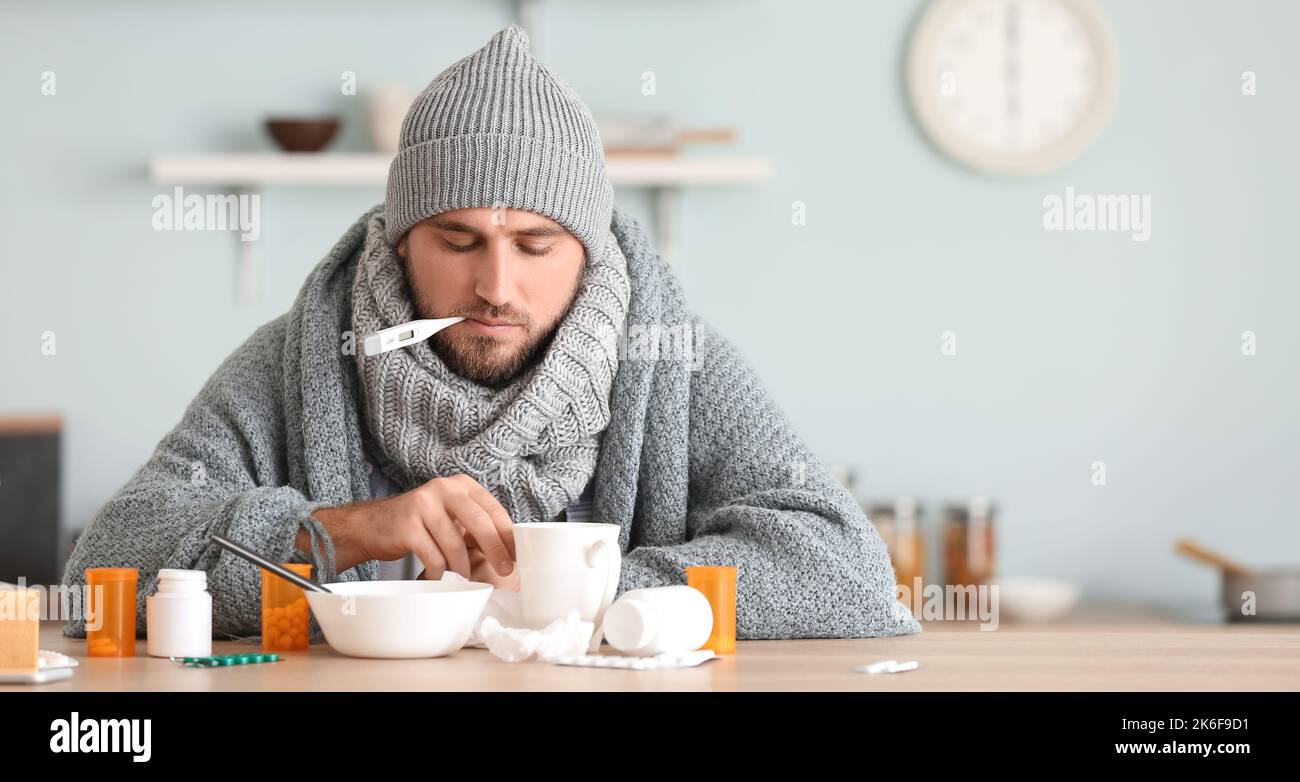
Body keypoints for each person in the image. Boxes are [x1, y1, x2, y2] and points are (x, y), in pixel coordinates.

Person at [61, 24, 921, 641]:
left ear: (586, 251)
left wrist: (583, 587)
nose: (496, 286)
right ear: (400, 244)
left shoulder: (673, 360)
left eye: (536, 245)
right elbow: (101, 569)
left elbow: (846, 570)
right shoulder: (297, 358)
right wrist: (342, 530)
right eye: (458, 240)